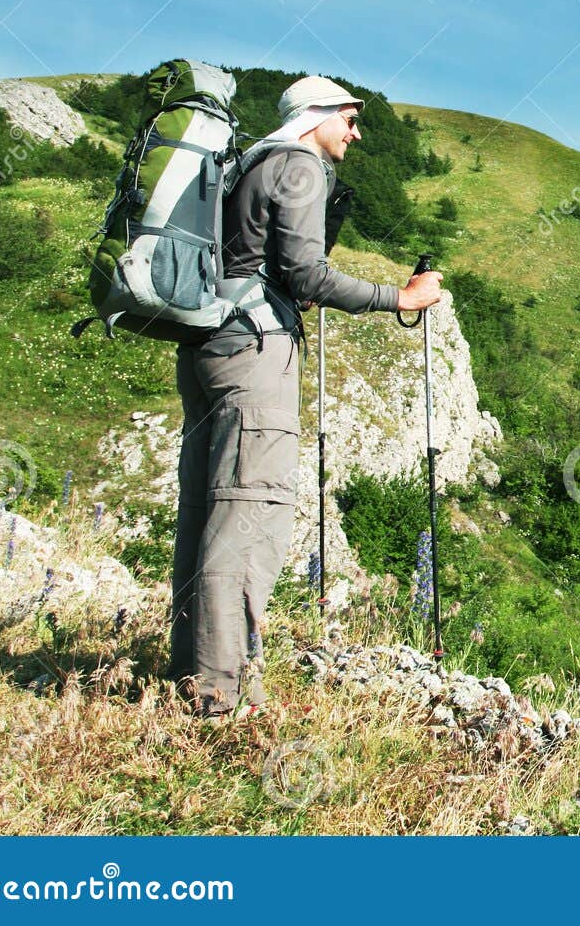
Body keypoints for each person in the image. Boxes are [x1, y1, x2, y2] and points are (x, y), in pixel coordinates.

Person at [169, 75, 443, 720]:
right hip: (255, 357)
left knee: (206, 511)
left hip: (208, 347)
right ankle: (221, 699)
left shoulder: (246, 164)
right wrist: (399, 299)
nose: (355, 130)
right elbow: (304, 273)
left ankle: (191, 675)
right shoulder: (298, 165)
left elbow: (268, 266)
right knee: (248, 512)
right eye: (348, 118)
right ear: (314, 116)